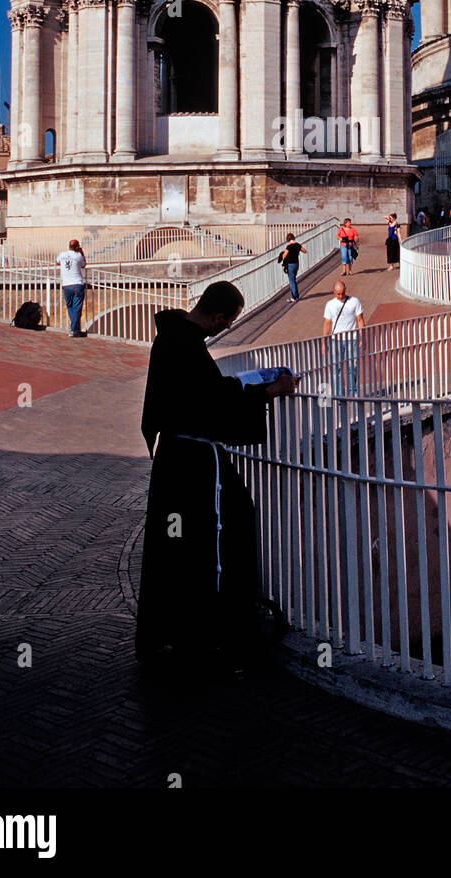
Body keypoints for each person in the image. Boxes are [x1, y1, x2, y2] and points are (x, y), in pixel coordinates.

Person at [135, 280, 296, 675]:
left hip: (175, 459)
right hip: (193, 463)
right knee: (214, 538)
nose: (225, 329)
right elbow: (211, 400)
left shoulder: (175, 338)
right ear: (220, 315)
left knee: (174, 547)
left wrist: (246, 384)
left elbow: (205, 389)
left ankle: (172, 635)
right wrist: (269, 391)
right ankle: (207, 637)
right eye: (228, 322)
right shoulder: (185, 343)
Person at [322, 280, 365, 397]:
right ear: (334, 292)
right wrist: (323, 342)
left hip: (352, 338)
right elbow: (327, 323)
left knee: (353, 367)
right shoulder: (330, 304)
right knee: (337, 369)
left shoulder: (354, 301)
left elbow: (360, 320)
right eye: (338, 294)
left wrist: (362, 337)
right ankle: (339, 395)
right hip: (336, 340)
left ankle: (353, 393)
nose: (341, 296)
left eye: (342, 293)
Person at [56, 239, 87, 337]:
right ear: (77, 247)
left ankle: (75, 329)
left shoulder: (62, 255)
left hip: (66, 285)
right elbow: (84, 264)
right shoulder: (78, 256)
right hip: (77, 284)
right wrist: (82, 253)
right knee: (77, 308)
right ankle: (74, 330)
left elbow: (57, 262)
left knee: (70, 307)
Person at [279, 232, 306, 302]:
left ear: (288, 239)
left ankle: (294, 297)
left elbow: (284, 256)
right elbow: (304, 251)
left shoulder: (289, 247)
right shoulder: (298, 245)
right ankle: (296, 295)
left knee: (291, 281)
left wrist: (283, 255)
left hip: (290, 265)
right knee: (293, 279)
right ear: (293, 238)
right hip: (296, 264)